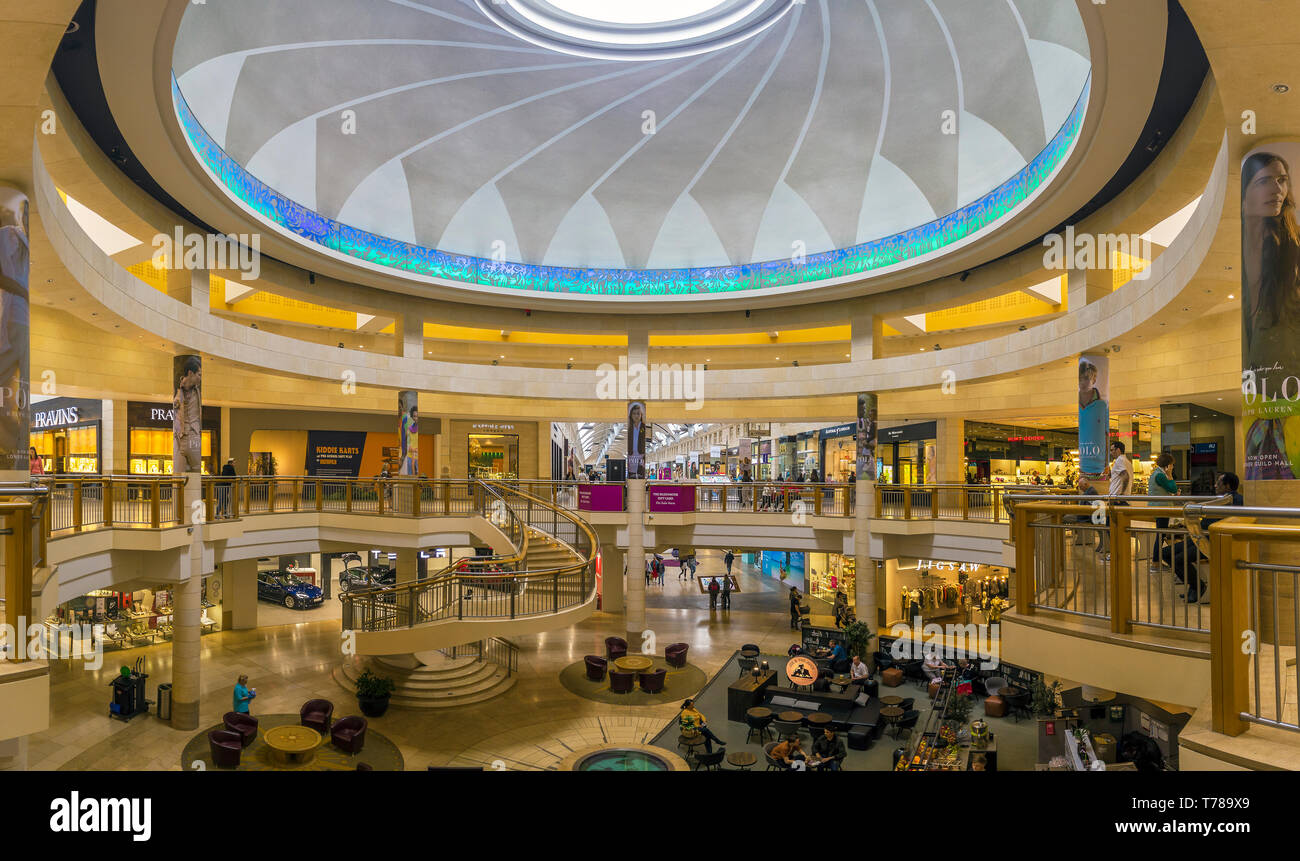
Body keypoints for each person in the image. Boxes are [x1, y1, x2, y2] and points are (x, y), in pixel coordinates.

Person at [1166, 472, 1243, 603]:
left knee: (1179, 559)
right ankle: (1195, 585)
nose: (1215, 485)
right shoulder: (1222, 499)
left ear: (1228, 486)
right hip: (1202, 536)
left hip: (1211, 540)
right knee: (1166, 553)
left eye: (1218, 483)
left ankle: (1197, 586)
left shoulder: (1232, 501)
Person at [1098, 441, 1133, 560]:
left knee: (1112, 528)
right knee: (1117, 529)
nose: (1112, 452)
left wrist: (1120, 495)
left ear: (1118, 450)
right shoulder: (1126, 461)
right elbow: (1120, 477)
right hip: (1121, 499)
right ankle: (1120, 553)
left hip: (1117, 500)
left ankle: (1115, 553)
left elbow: (1125, 477)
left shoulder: (1120, 461)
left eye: (1113, 450)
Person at [1147, 452, 1178, 570]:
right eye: (1172, 465)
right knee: (1160, 536)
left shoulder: (1156, 473)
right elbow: (1173, 489)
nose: (1173, 467)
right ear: (1168, 465)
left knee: (1161, 535)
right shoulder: (1160, 475)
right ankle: (1155, 563)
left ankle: (1156, 562)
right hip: (1161, 509)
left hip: (1159, 508)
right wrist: (1170, 475)